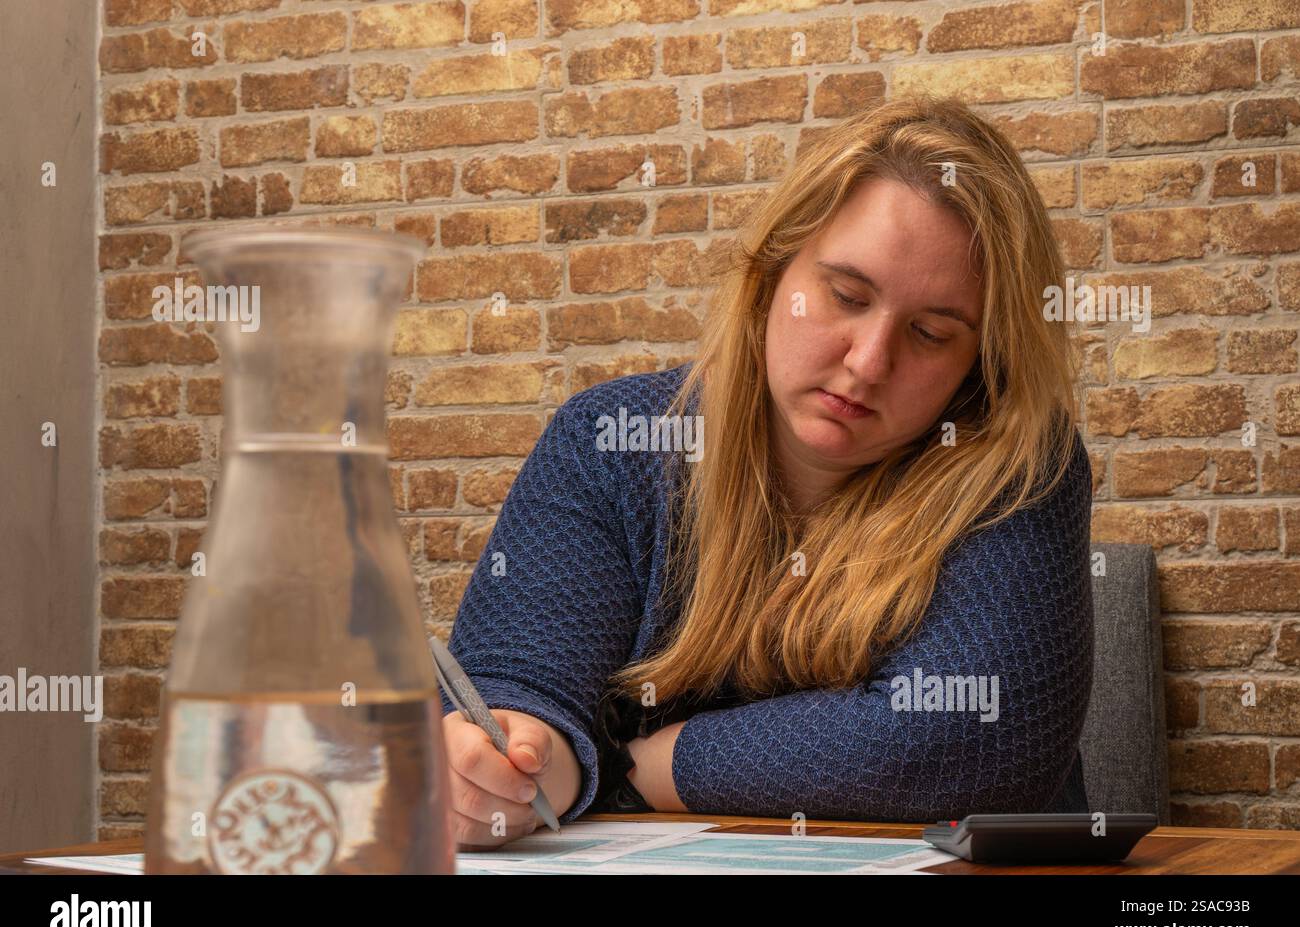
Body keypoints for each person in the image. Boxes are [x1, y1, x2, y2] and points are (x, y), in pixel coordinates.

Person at [440, 94, 1094, 850]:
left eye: (931, 334)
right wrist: (519, 763)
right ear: (772, 272)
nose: (869, 362)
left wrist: (639, 765)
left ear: (980, 367)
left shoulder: (1016, 461)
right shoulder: (610, 440)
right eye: (847, 296)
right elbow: (519, 689)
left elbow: (966, 741)